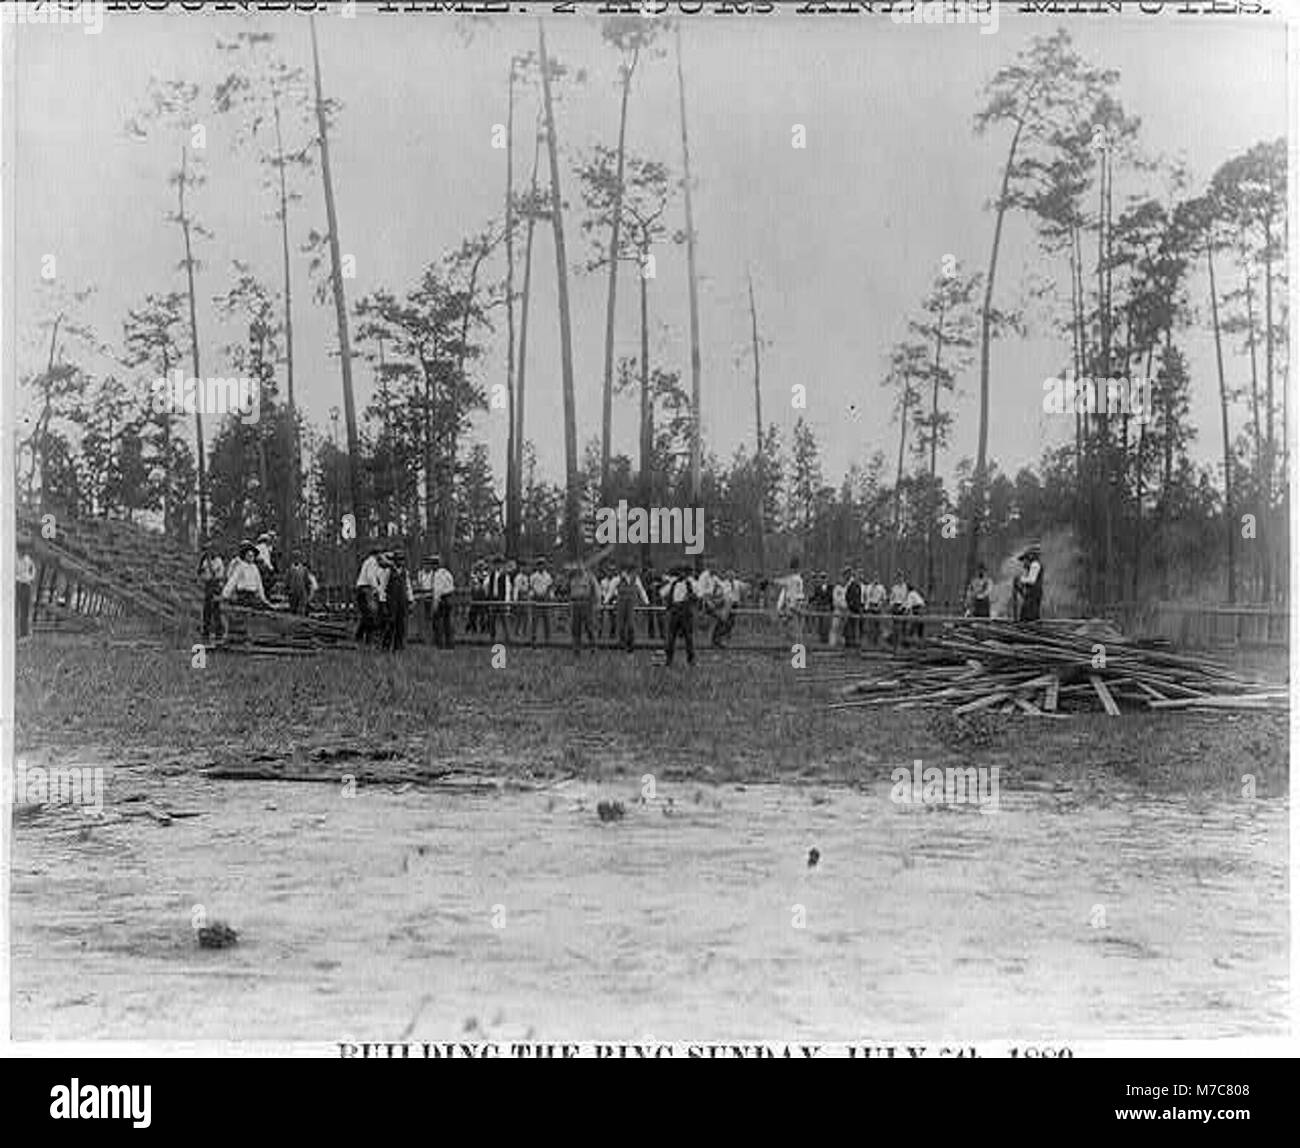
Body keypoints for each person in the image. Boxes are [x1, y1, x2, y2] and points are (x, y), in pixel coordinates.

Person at [660, 562, 698, 666]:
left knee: (688, 637)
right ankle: (669, 659)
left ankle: (691, 660)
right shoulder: (673, 583)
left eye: (684, 572)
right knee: (671, 637)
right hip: (675, 610)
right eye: (680, 572)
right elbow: (662, 593)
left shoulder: (690, 583)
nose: (682, 574)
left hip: (686, 611)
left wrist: (691, 597)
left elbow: (698, 593)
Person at [613, 559, 649, 652]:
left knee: (631, 624)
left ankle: (630, 645)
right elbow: (611, 590)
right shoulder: (618, 579)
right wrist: (606, 601)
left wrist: (646, 601)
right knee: (621, 625)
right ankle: (622, 643)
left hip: (631, 604)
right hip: (621, 603)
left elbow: (641, 590)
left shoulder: (635, 579)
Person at [223, 541, 271, 609]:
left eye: (252, 556)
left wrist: (263, 598)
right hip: (243, 595)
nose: (251, 557)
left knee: (260, 605)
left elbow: (259, 583)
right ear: (245, 555)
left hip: (252, 594)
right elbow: (233, 580)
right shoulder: (240, 566)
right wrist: (226, 594)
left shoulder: (254, 568)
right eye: (249, 556)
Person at [382, 552, 413, 651]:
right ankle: (386, 646)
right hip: (391, 601)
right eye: (399, 560)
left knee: (401, 625)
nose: (401, 562)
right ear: (395, 561)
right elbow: (382, 587)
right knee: (391, 624)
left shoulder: (405, 572)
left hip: (402, 601)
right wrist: (383, 601)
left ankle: (398, 647)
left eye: (402, 560)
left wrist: (410, 599)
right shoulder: (388, 571)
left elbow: (408, 587)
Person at [567, 560, 598, 654]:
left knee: (589, 627)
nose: (578, 569)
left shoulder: (589, 578)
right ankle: (576, 648)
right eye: (577, 567)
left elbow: (595, 591)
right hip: (575, 604)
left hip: (586, 604)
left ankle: (593, 647)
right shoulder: (572, 578)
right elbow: (568, 590)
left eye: (580, 567)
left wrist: (595, 603)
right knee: (576, 628)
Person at [355, 547, 384, 644]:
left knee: (365, 615)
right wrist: (377, 588)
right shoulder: (372, 562)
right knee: (370, 614)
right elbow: (370, 577)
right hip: (366, 589)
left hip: (362, 589)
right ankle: (367, 638)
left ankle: (359, 637)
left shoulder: (368, 561)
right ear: (377, 554)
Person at [197, 544, 225, 640]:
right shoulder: (205, 560)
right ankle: (206, 631)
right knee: (207, 610)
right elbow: (200, 572)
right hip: (208, 585)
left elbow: (219, 574)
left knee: (216, 610)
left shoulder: (218, 561)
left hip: (215, 585)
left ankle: (218, 632)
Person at [776, 556, 805, 644]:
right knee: (797, 628)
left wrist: (792, 607)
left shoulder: (793, 579)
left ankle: (796, 649)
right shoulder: (798, 578)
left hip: (795, 605)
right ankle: (796, 646)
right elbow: (782, 581)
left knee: (795, 628)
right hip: (799, 604)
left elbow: (792, 594)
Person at [431, 554, 456, 648]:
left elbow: (438, 591)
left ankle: (440, 644)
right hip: (450, 597)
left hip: (443, 599)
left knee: (439, 623)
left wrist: (435, 605)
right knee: (448, 622)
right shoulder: (447, 573)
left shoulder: (438, 575)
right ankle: (450, 643)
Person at [487, 555, 512, 644]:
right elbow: (489, 587)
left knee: (504, 619)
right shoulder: (491, 575)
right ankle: (492, 638)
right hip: (493, 599)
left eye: (499, 564)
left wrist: (506, 601)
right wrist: (489, 600)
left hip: (501, 599)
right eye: (496, 564)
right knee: (492, 620)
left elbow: (507, 588)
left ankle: (508, 638)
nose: (497, 566)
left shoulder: (505, 575)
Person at [529, 556, 554, 647]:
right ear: (537, 566)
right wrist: (535, 594)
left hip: (545, 599)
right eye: (539, 564)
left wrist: (548, 596)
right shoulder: (533, 576)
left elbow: (550, 586)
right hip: (536, 599)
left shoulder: (548, 576)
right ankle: (533, 639)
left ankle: (548, 640)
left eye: (543, 564)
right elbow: (531, 587)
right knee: (535, 620)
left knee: (546, 620)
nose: (541, 566)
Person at [1017, 543, 1044, 622]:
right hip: (1032, 594)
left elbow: (1032, 580)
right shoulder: (1030, 567)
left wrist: (1021, 579)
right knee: (1027, 613)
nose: (1023, 563)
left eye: (1025, 560)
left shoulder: (1035, 565)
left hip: (1034, 594)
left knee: (1030, 615)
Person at [16, 547, 36, 640]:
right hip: (18, 583)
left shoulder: (28, 559)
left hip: (26, 584)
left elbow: (33, 570)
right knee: (17, 610)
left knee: (25, 610)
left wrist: (30, 578)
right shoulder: (14, 558)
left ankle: (24, 633)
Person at [285, 552, 315, 616]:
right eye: (295, 557)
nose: (296, 559)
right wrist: (287, 591)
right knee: (293, 611)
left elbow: (307, 582)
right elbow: (287, 582)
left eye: (297, 557)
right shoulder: (289, 570)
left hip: (302, 593)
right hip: (292, 593)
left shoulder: (304, 570)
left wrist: (307, 594)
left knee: (301, 611)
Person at [888, 570, 909, 651]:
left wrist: (903, 607)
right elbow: (891, 598)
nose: (899, 579)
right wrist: (892, 605)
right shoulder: (894, 588)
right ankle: (895, 645)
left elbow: (906, 599)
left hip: (902, 608)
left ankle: (901, 645)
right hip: (895, 607)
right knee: (895, 627)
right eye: (898, 577)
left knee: (902, 627)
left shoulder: (905, 587)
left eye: (901, 577)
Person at [863, 571, 886, 648]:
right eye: (874, 577)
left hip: (878, 607)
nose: (876, 579)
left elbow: (884, 599)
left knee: (878, 627)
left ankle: (877, 644)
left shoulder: (881, 587)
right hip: (870, 607)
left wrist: (880, 606)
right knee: (870, 626)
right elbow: (866, 597)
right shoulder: (868, 587)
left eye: (877, 577)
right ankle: (869, 644)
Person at [513, 559, 532, 641]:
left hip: (525, 596)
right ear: (520, 568)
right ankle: (516, 631)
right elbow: (516, 588)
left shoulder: (526, 577)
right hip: (520, 596)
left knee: (526, 616)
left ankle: (524, 631)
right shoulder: (518, 577)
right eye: (522, 567)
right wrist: (515, 599)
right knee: (518, 616)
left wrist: (528, 595)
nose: (524, 568)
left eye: (525, 567)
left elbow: (528, 587)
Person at [830, 567, 849, 648]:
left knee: (842, 628)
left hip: (845, 611)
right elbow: (836, 600)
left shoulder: (847, 588)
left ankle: (840, 643)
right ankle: (832, 643)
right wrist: (841, 605)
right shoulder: (837, 588)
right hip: (838, 610)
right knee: (835, 627)